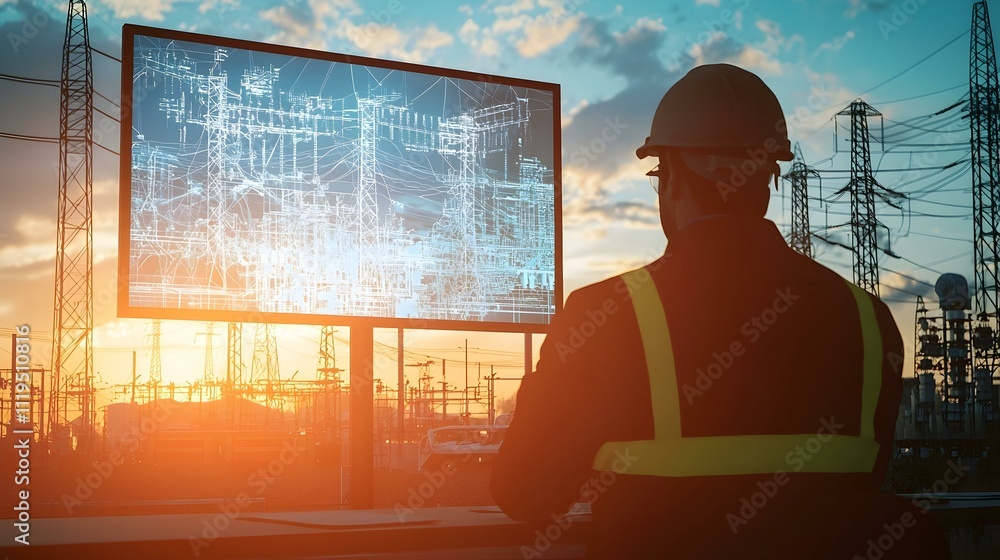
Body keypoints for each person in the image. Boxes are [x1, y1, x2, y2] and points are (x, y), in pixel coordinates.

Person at [490, 64, 949, 559]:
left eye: (658, 176)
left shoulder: (604, 315)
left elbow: (524, 492)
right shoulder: (870, 322)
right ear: (768, 176)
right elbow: (853, 490)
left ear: (671, 175)